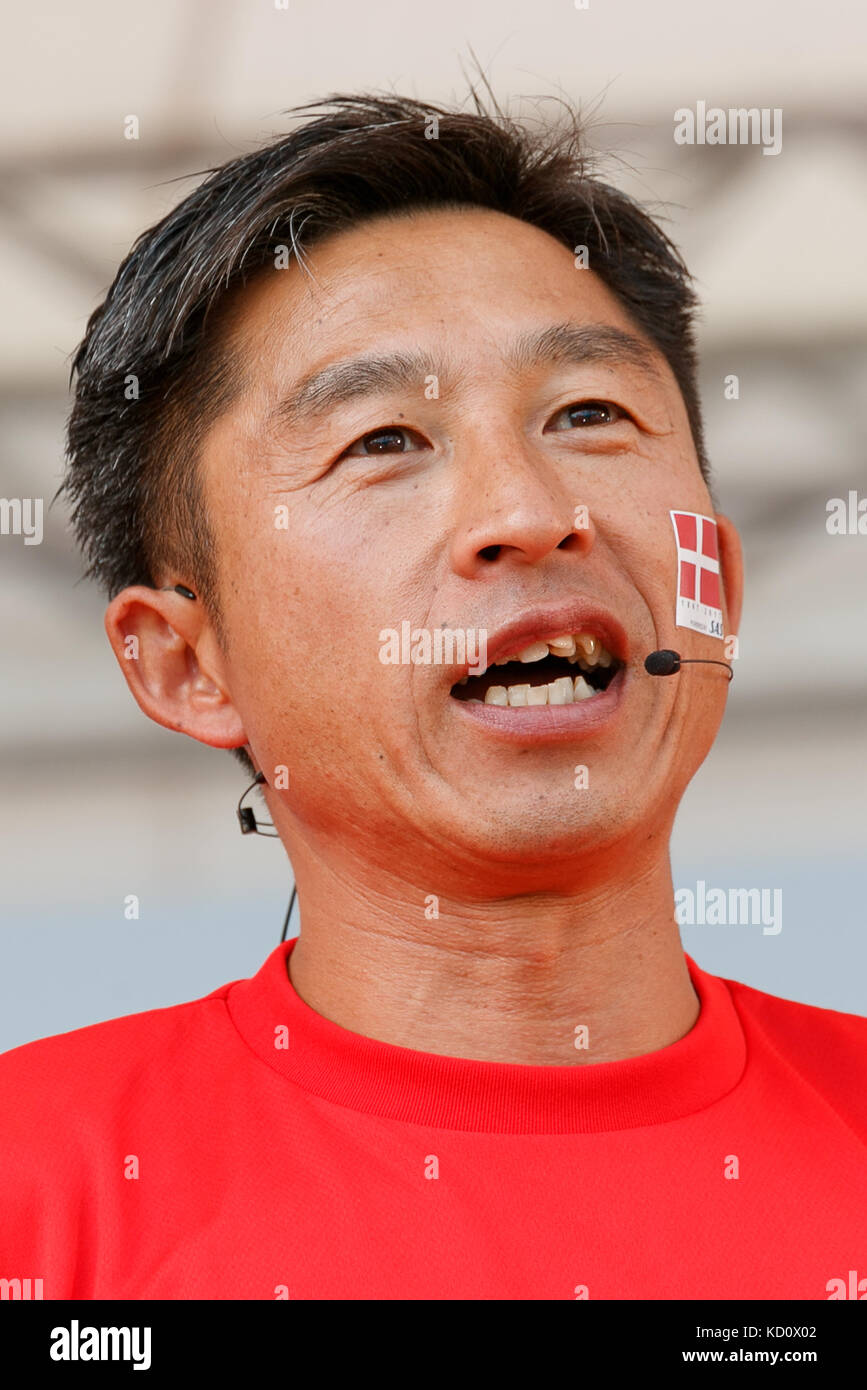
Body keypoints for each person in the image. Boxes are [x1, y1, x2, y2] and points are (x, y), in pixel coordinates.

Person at [1, 92, 865, 1301]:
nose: (526, 512)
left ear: (714, 571)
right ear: (186, 662)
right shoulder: (32, 1201)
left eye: (589, 414)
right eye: (383, 441)